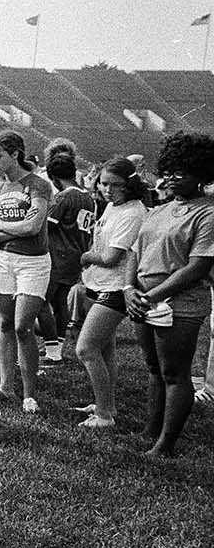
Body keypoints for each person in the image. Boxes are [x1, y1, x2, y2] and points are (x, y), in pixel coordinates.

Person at [124, 131, 214, 457]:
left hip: (180, 302)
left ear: (202, 175)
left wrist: (150, 296)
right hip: (145, 298)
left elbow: (197, 267)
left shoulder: (208, 213)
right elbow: (136, 252)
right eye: (170, 169)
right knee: (153, 368)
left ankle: (165, 444)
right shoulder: (159, 210)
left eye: (183, 171)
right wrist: (129, 288)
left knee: (175, 373)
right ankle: (151, 429)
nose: (173, 177)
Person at [75, 157, 147, 429]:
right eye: (103, 183)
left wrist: (85, 256)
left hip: (116, 287)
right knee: (106, 351)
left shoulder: (132, 212)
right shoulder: (113, 207)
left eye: (114, 185)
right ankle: (105, 403)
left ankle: (105, 415)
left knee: (86, 349)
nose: (107, 190)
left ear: (129, 185)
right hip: (100, 283)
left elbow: (112, 256)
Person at [0, 130, 53, 413]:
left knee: (23, 326)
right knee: (4, 323)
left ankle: (29, 394)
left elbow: (32, 228)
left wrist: (2, 229)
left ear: (15, 154)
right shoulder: (0, 189)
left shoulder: (38, 184)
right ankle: (4, 387)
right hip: (5, 261)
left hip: (33, 262)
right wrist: (6, 231)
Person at [39, 152, 95, 362]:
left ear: (54, 178)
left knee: (41, 300)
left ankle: (52, 350)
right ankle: (57, 349)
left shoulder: (64, 197)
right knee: (61, 302)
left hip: (57, 255)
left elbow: (46, 226)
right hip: (76, 256)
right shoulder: (89, 198)